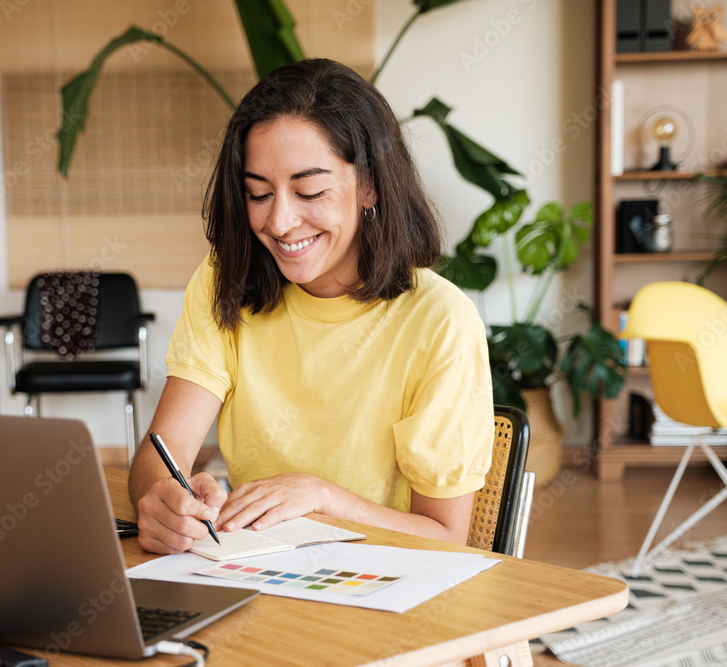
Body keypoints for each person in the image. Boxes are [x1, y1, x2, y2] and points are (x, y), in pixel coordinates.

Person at [129, 58, 493, 555]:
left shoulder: (440, 321)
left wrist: (321, 496)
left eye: (309, 191)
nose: (279, 222)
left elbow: (448, 536)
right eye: (258, 193)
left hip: (380, 583)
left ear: (370, 186)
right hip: (256, 572)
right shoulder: (225, 279)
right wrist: (163, 497)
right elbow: (162, 452)